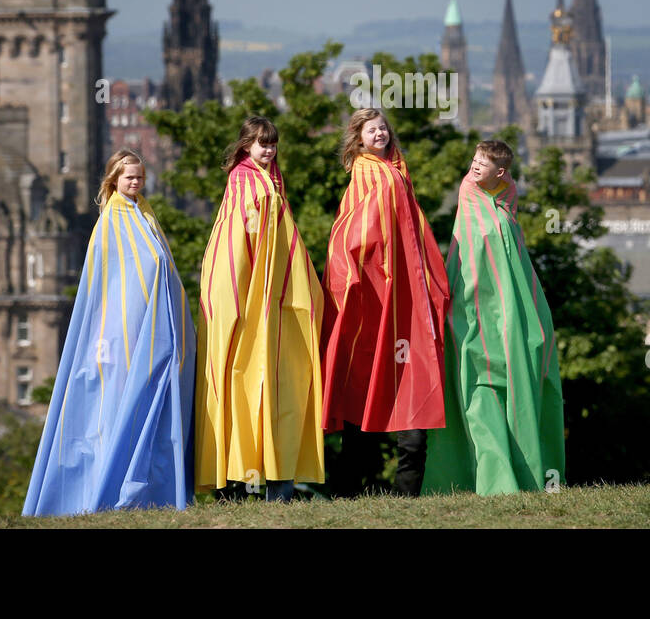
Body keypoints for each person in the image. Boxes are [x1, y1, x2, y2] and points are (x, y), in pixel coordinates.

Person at [23, 149, 195, 516]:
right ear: (113, 179)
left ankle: (153, 492)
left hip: (151, 330)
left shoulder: (144, 214)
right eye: (129, 177)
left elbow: (157, 265)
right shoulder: (110, 222)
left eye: (140, 177)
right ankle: (108, 489)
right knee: (114, 406)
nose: (135, 182)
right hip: (123, 336)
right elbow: (110, 285)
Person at [422, 140, 565, 496]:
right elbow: (476, 247)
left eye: (481, 165)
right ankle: (492, 481)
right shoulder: (471, 198)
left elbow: (508, 250)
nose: (473, 168)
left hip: (507, 307)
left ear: (500, 173)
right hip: (473, 307)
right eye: (473, 161)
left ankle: (527, 474)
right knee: (479, 393)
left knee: (520, 376)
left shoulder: (507, 198)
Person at [321, 108, 449, 496]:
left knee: (410, 387)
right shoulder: (367, 175)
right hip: (375, 298)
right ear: (358, 138)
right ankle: (347, 492)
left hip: (404, 298)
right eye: (371, 129)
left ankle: (406, 496)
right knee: (365, 390)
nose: (379, 134)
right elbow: (351, 233)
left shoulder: (397, 172)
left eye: (383, 128)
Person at [196, 116, 325, 502]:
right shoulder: (244, 182)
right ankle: (236, 486)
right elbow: (237, 245)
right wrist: (240, 301)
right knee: (243, 383)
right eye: (261, 143)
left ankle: (275, 487)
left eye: (273, 144)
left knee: (279, 385)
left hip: (272, 304)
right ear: (245, 146)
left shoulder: (273, 182)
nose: (269, 150)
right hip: (252, 303)